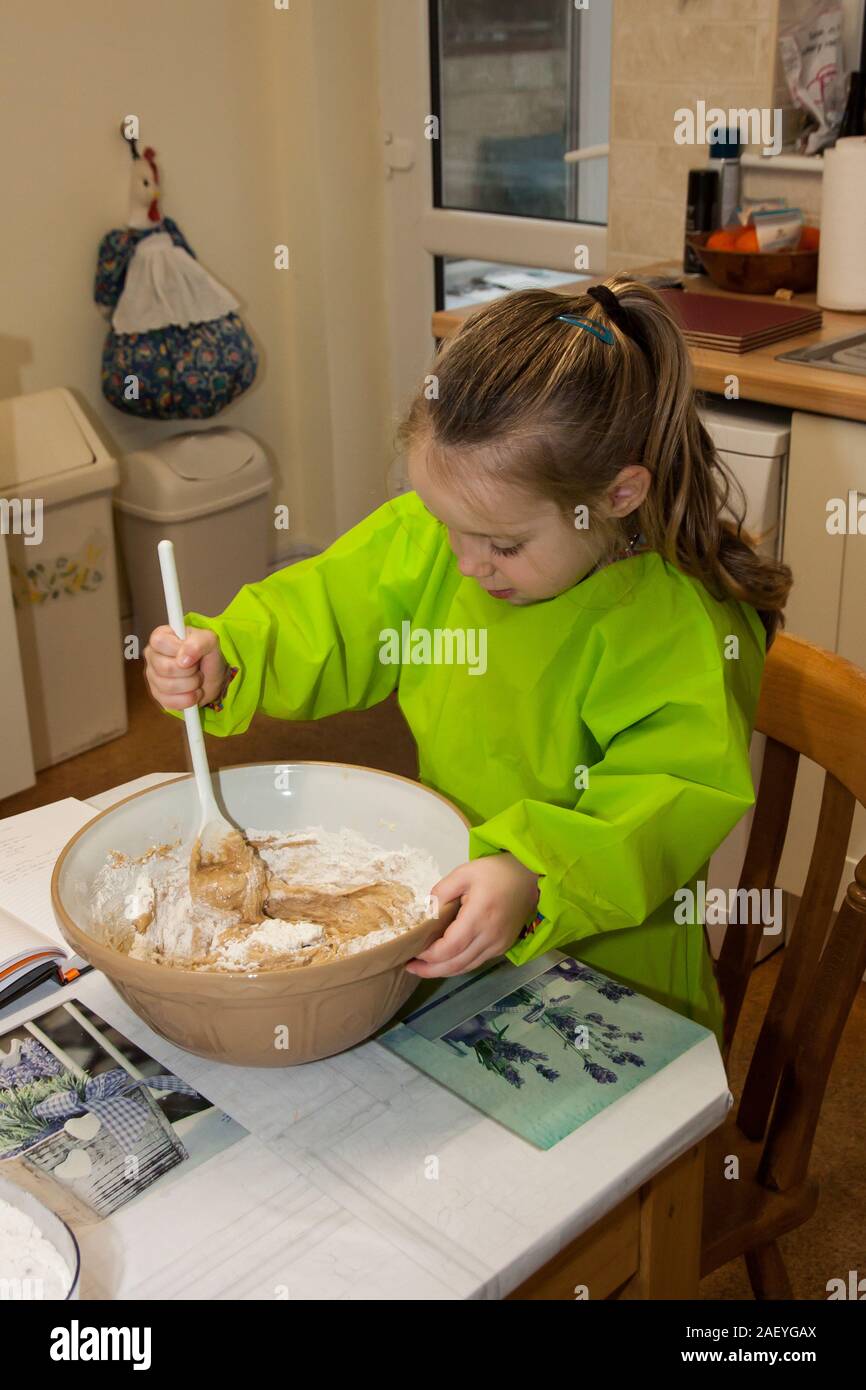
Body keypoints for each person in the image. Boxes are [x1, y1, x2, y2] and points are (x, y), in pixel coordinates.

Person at [144, 276, 792, 1047]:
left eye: (505, 545)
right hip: (453, 915)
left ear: (617, 495)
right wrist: (233, 652)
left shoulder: (679, 626)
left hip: (612, 970)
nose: (466, 564)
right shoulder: (448, 536)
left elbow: (662, 799)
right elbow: (331, 607)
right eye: (446, 526)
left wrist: (533, 873)